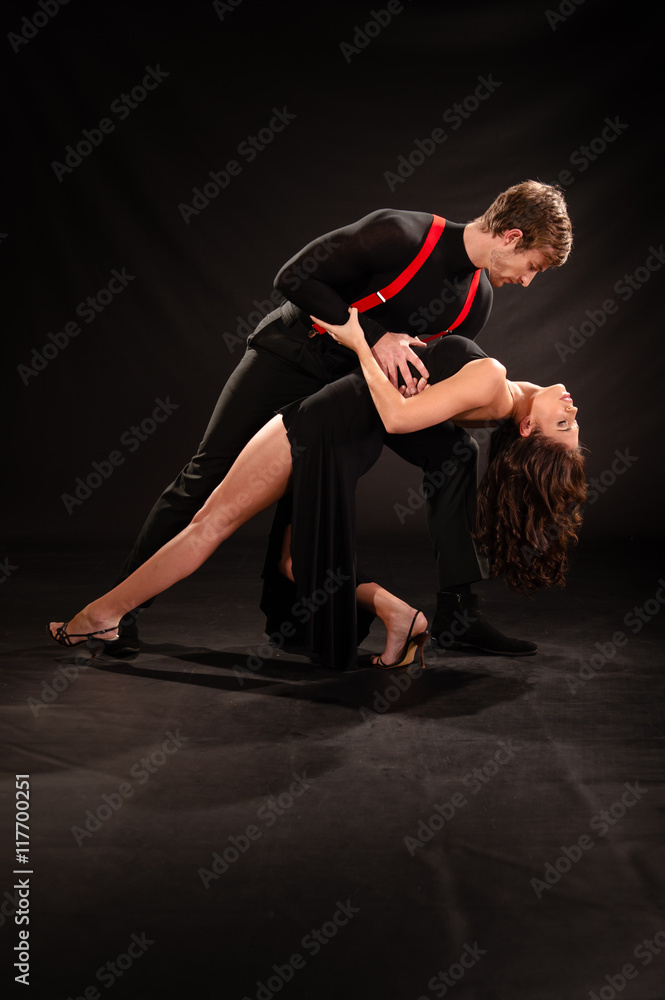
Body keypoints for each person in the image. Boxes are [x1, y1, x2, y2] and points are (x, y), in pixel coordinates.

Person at [105, 180, 573, 657]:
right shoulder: (402, 233)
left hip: (350, 390)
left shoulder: (477, 301)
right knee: (205, 476)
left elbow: (423, 374)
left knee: (455, 452)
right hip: (290, 358)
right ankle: (118, 613)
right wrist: (376, 336)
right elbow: (292, 278)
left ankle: (459, 612)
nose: (527, 280)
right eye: (532, 267)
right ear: (512, 238)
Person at [48, 318, 586, 672]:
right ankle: (397, 613)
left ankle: (103, 615)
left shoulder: (492, 380)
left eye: (562, 423)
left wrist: (359, 339)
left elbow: (398, 418)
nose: (572, 409)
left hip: (319, 428)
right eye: (572, 422)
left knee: (208, 523)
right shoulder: (490, 402)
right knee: (292, 564)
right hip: (342, 441)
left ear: (526, 432)